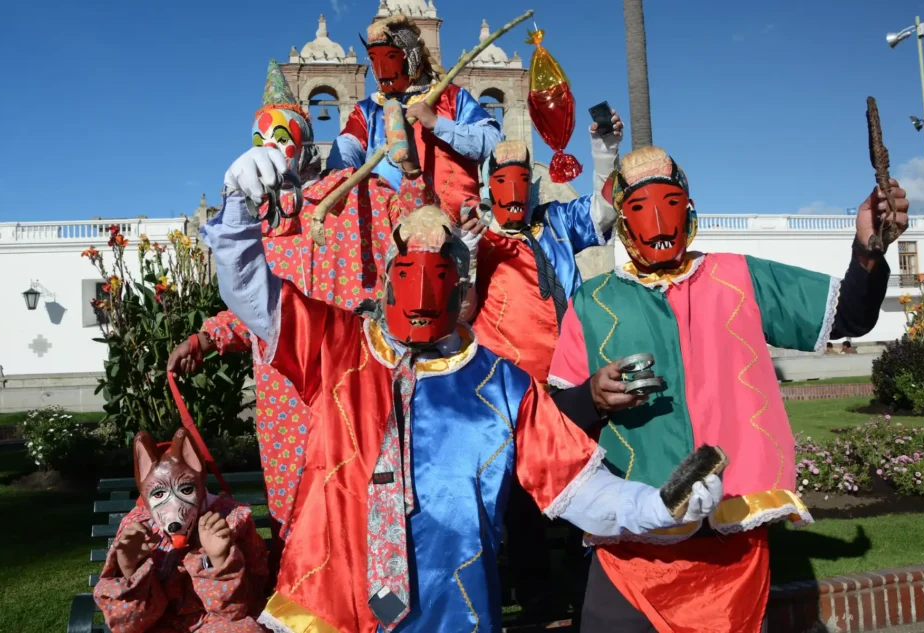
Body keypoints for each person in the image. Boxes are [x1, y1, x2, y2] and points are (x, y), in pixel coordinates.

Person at [200, 144, 724, 633]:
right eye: (408, 271)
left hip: (452, 614)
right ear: (387, 277)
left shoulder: (503, 385)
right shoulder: (335, 348)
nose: (421, 292)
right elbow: (250, 291)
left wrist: (654, 506)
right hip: (332, 609)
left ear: (460, 282)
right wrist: (238, 208)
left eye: (438, 273)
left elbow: (575, 484)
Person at [547, 145, 907, 633]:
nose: (659, 221)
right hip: (630, 542)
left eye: (670, 203)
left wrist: (868, 249)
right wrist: (591, 395)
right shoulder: (593, 301)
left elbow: (850, 317)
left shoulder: (738, 276)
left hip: (730, 537)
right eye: (640, 206)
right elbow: (557, 420)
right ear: (624, 218)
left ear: (688, 207)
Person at [167, 60, 432, 561]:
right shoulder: (263, 222)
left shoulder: (362, 195)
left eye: (282, 136)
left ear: (306, 141)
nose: (272, 148)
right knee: (293, 509)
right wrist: (207, 337)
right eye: (261, 140)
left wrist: (411, 169)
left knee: (365, 499)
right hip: (282, 397)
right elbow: (257, 304)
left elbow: (421, 232)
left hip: (356, 382)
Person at [462, 111, 622, 615]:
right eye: (502, 181)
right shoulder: (477, 239)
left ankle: (587, 583)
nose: (514, 192)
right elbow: (459, 307)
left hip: (572, 379)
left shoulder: (554, 222)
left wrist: (605, 150)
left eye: (521, 180)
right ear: (489, 185)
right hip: (511, 391)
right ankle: (533, 595)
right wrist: (466, 251)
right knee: (524, 496)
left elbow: (603, 211)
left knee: (585, 473)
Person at [326, 13, 501, 221]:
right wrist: (337, 172)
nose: (381, 69)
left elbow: (494, 144)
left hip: (453, 223)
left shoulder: (452, 97)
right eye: (374, 59)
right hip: (387, 224)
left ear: (411, 57)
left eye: (390, 57)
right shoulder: (368, 109)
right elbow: (348, 144)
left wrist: (437, 123)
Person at [94, 429, 269, 633]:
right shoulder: (136, 526)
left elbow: (241, 606)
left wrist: (220, 561)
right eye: (158, 493)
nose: (174, 508)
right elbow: (128, 624)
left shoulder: (231, 519)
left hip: (214, 622)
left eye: (186, 490)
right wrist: (129, 570)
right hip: (158, 624)